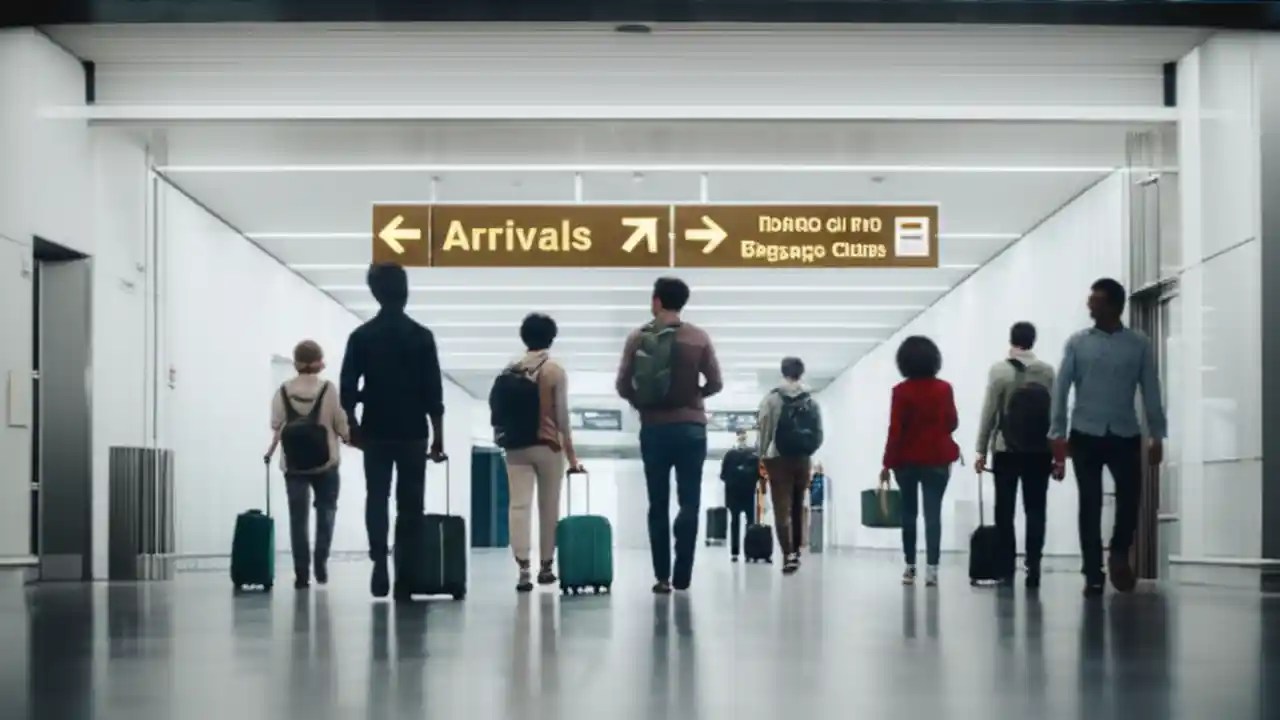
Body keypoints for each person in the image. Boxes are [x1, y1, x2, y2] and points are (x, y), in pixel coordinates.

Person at [1051, 278, 1166, 597]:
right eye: (1091, 300)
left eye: (1097, 301)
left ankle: (1118, 551)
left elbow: (1151, 389)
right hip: (1085, 434)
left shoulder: (1138, 344)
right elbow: (1061, 389)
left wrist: (1157, 434)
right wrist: (1057, 433)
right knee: (1090, 503)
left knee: (1131, 499)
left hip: (1125, 432)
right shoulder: (1077, 343)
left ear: (1114, 306)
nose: (1090, 305)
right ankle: (1092, 572)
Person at [340, 263, 447, 599]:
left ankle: (378, 562)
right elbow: (434, 393)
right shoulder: (422, 336)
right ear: (405, 290)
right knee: (411, 504)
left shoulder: (361, 337)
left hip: (376, 430)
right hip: (414, 432)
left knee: (377, 496)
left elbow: (346, 387)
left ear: (375, 292)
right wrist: (438, 437)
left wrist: (353, 425)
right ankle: (406, 575)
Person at [616, 277, 722, 594]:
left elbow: (622, 385)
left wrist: (643, 405)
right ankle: (683, 576)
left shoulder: (637, 338)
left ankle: (661, 577)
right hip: (691, 430)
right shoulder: (698, 337)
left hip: (654, 430)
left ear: (657, 301)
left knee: (657, 503)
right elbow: (716, 382)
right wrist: (695, 398)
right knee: (689, 501)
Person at [501, 313, 584, 593]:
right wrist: (572, 457)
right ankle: (546, 567)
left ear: (524, 337)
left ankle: (523, 568)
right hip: (548, 447)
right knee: (549, 506)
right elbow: (562, 418)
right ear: (551, 337)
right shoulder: (554, 371)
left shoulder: (510, 369)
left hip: (515, 446)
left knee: (519, 506)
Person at [974, 322, 1056, 589]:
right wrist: (1058, 454)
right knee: (1035, 510)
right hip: (1039, 451)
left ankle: (1007, 567)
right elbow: (1055, 415)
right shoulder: (1047, 372)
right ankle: (1034, 565)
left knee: (1004, 511)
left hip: (1005, 450)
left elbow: (990, 412)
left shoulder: (998, 371)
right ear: (1033, 341)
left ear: (1011, 340)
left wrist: (980, 450)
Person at [266, 340, 350, 589]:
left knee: (297, 518)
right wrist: (347, 435)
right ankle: (321, 561)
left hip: (294, 466)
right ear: (320, 362)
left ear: (296, 362)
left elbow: (276, 423)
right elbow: (340, 423)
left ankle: (301, 573)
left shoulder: (283, 391)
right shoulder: (329, 390)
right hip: (327, 464)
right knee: (327, 511)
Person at [880, 336, 959, 588]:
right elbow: (952, 422)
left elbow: (895, 430)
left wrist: (887, 462)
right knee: (933, 513)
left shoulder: (900, 392)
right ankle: (933, 570)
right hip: (937, 458)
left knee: (908, 513)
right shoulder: (944, 389)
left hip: (906, 460)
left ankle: (910, 566)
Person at [757, 356, 823, 575]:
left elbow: (764, 430)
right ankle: (797, 550)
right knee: (798, 505)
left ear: (782, 372)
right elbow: (819, 433)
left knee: (781, 508)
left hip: (777, 458)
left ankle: (789, 555)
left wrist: (760, 456)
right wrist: (807, 450)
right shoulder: (811, 400)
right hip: (802, 459)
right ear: (801, 373)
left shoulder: (772, 399)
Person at [719, 429, 759, 562]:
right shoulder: (731, 455)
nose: (742, 439)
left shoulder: (752, 455)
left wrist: (738, 474)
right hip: (736, 494)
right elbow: (723, 475)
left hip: (745, 493)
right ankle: (736, 551)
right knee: (736, 522)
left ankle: (749, 551)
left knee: (749, 523)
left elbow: (758, 474)